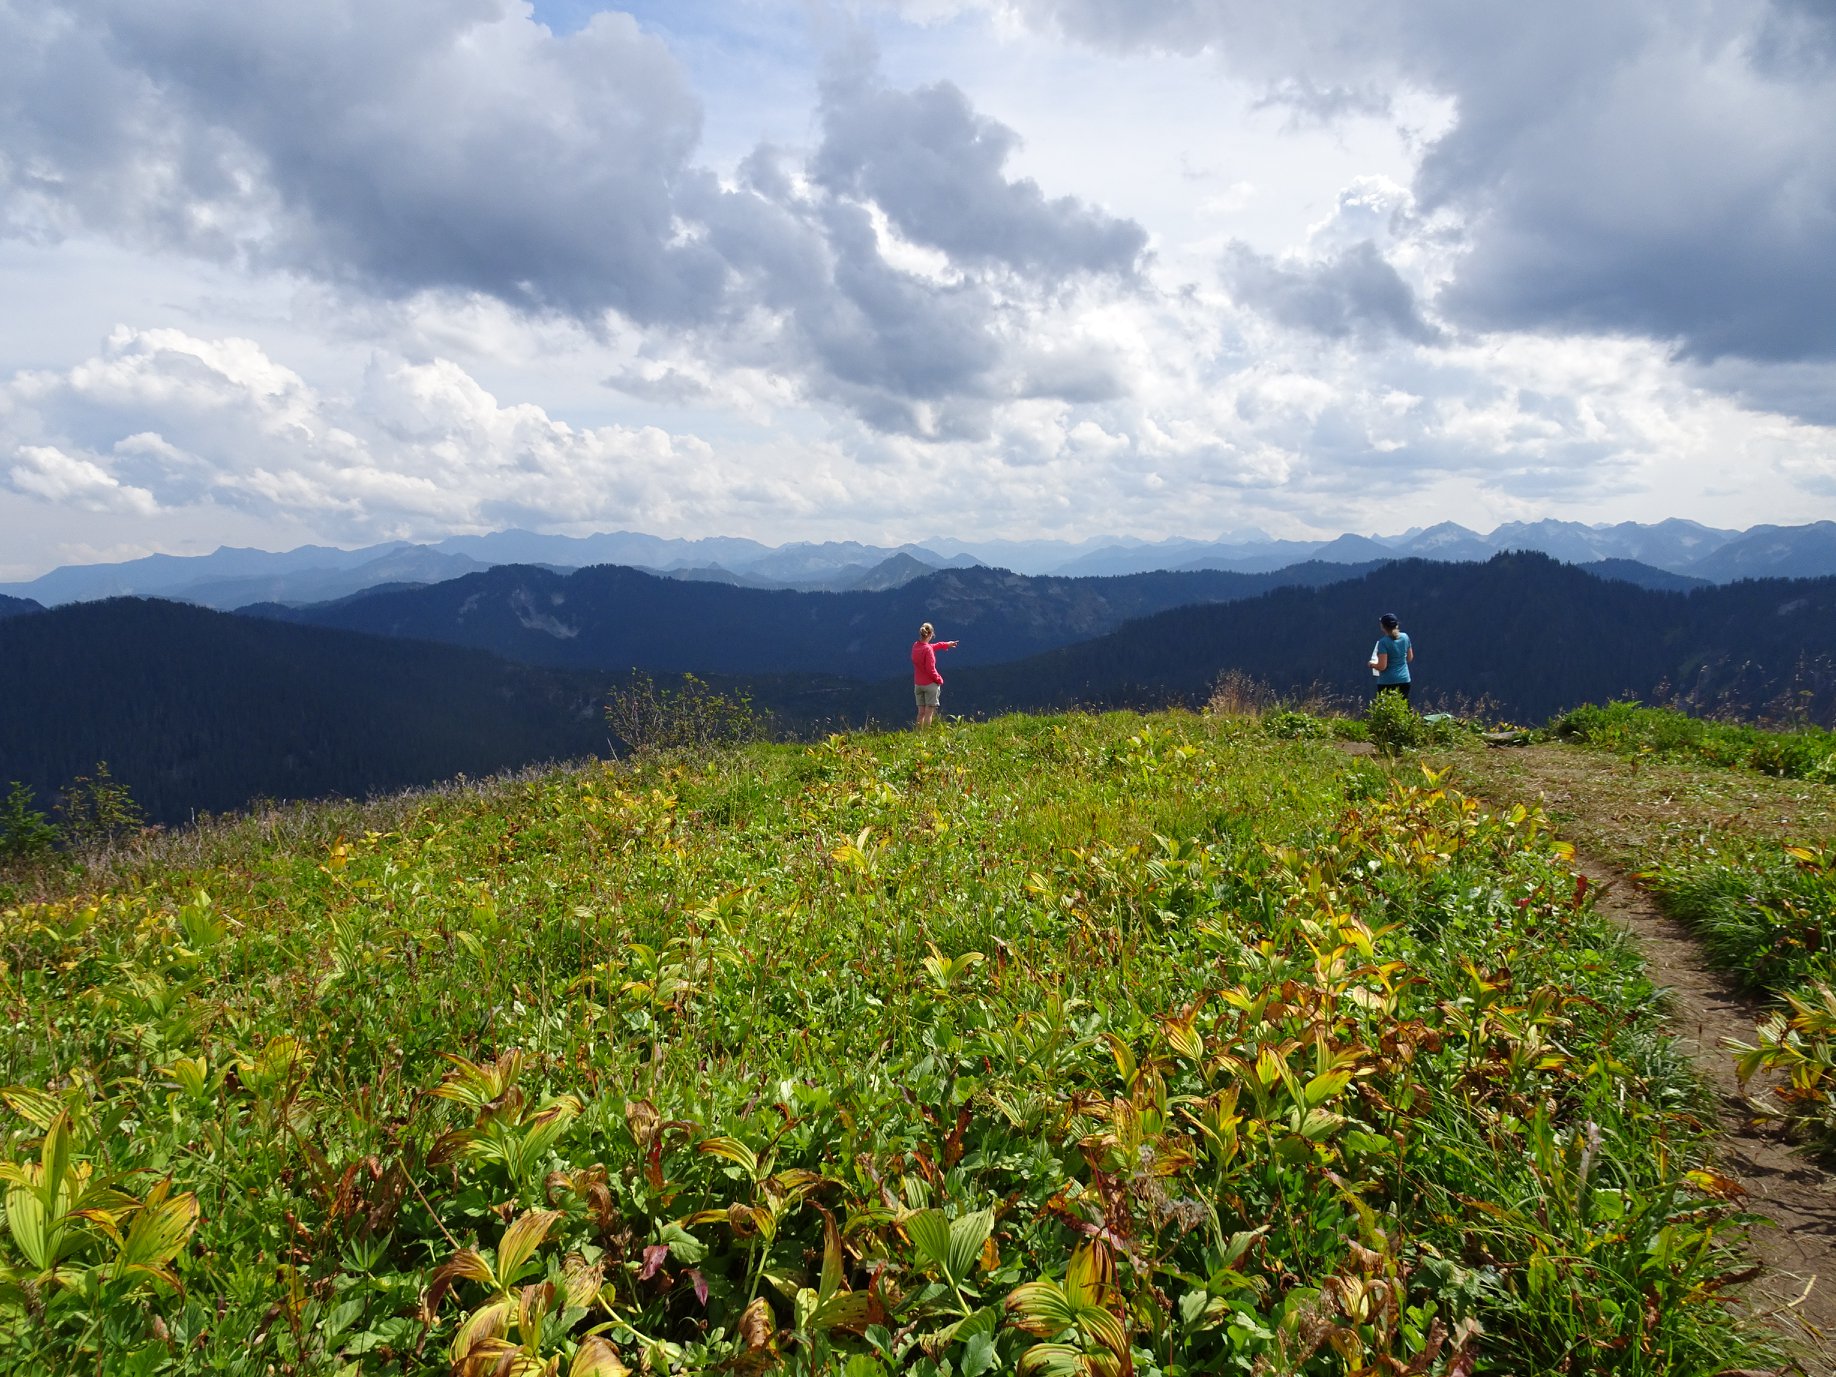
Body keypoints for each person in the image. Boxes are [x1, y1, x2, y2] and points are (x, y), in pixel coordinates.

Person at [911, 622, 958, 728]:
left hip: (918, 684)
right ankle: (927, 736)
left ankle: (918, 734)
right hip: (930, 685)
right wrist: (939, 679)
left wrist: (946, 644)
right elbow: (930, 669)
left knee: (921, 713)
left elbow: (931, 646)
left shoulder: (916, 646)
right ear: (931, 634)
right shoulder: (928, 650)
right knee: (929, 713)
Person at [1368, 612, 1414, 698]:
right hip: (1404, 679)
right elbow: (1410, 658)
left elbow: (1382, 666)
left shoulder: (1383, 642)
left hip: (1387, 681)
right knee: (1404, 708)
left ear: (1383, 627)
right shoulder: (1405, 637)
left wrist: (1372, 664)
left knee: (1387, 709)